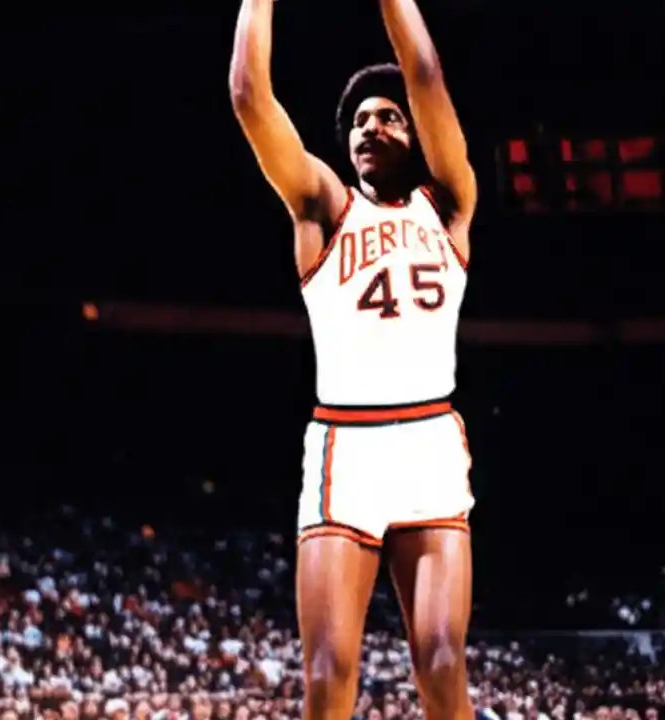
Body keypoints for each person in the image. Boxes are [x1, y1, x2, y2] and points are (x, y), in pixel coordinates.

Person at [228, 1, 478, 719]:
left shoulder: (450, 204)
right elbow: (249, 95)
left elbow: (424, 71)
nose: (372, 125)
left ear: (417, 134)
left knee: (439, 662)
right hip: (347, 447)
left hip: (430, 442)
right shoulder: (325, 209)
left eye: (389, 116)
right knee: (329, 674)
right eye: (361, 120)